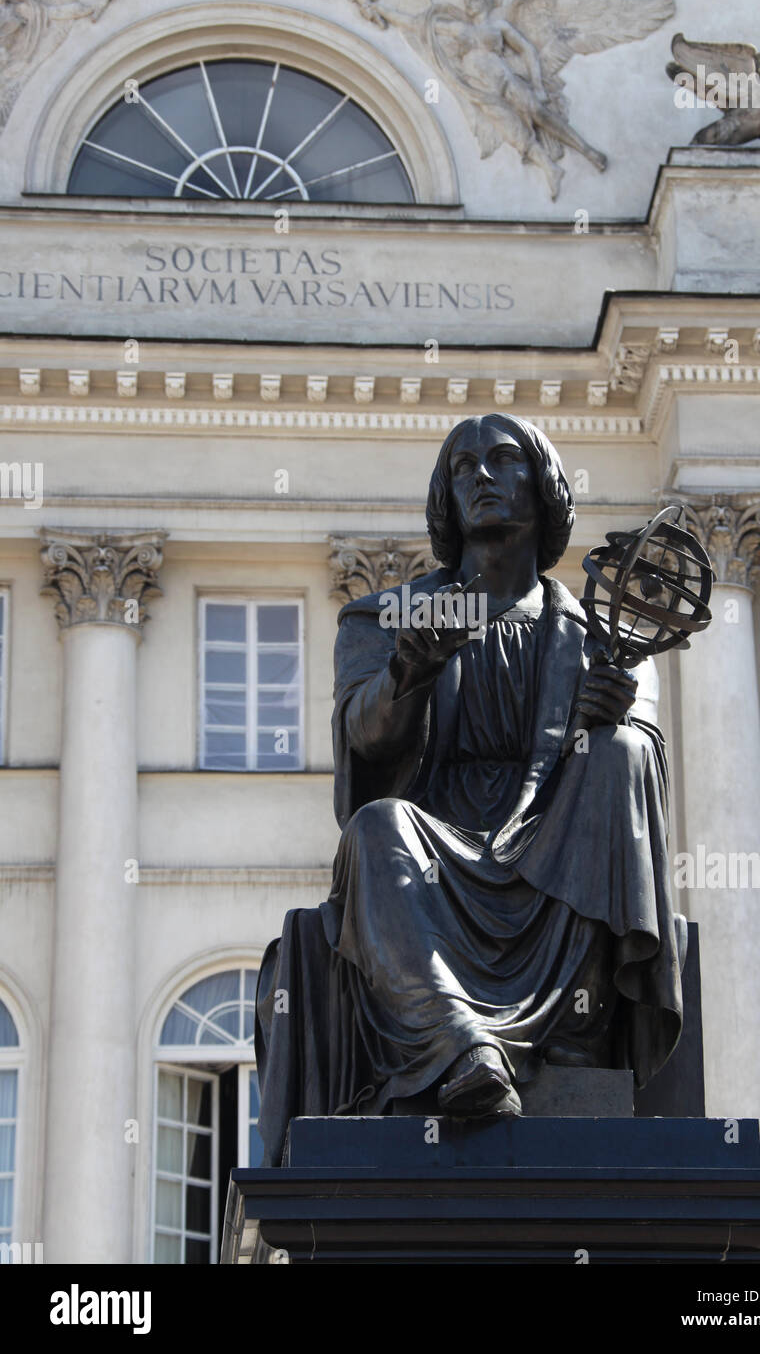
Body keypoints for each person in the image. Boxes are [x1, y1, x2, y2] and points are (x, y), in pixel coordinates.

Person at [256, 413, 683, 1164]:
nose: (482, 475)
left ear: (545, 487)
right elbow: (365, 741)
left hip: (550, 845)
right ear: (445, 501)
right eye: (462, 467)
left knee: (619, 759)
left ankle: (578, 1036)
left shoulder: (599, 635)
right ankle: (465, 1051)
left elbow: (645, 767)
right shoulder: (386, 618)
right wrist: (407, 673)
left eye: (504, 460)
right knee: (377, 829)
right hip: (432, 853)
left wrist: (610, 720)